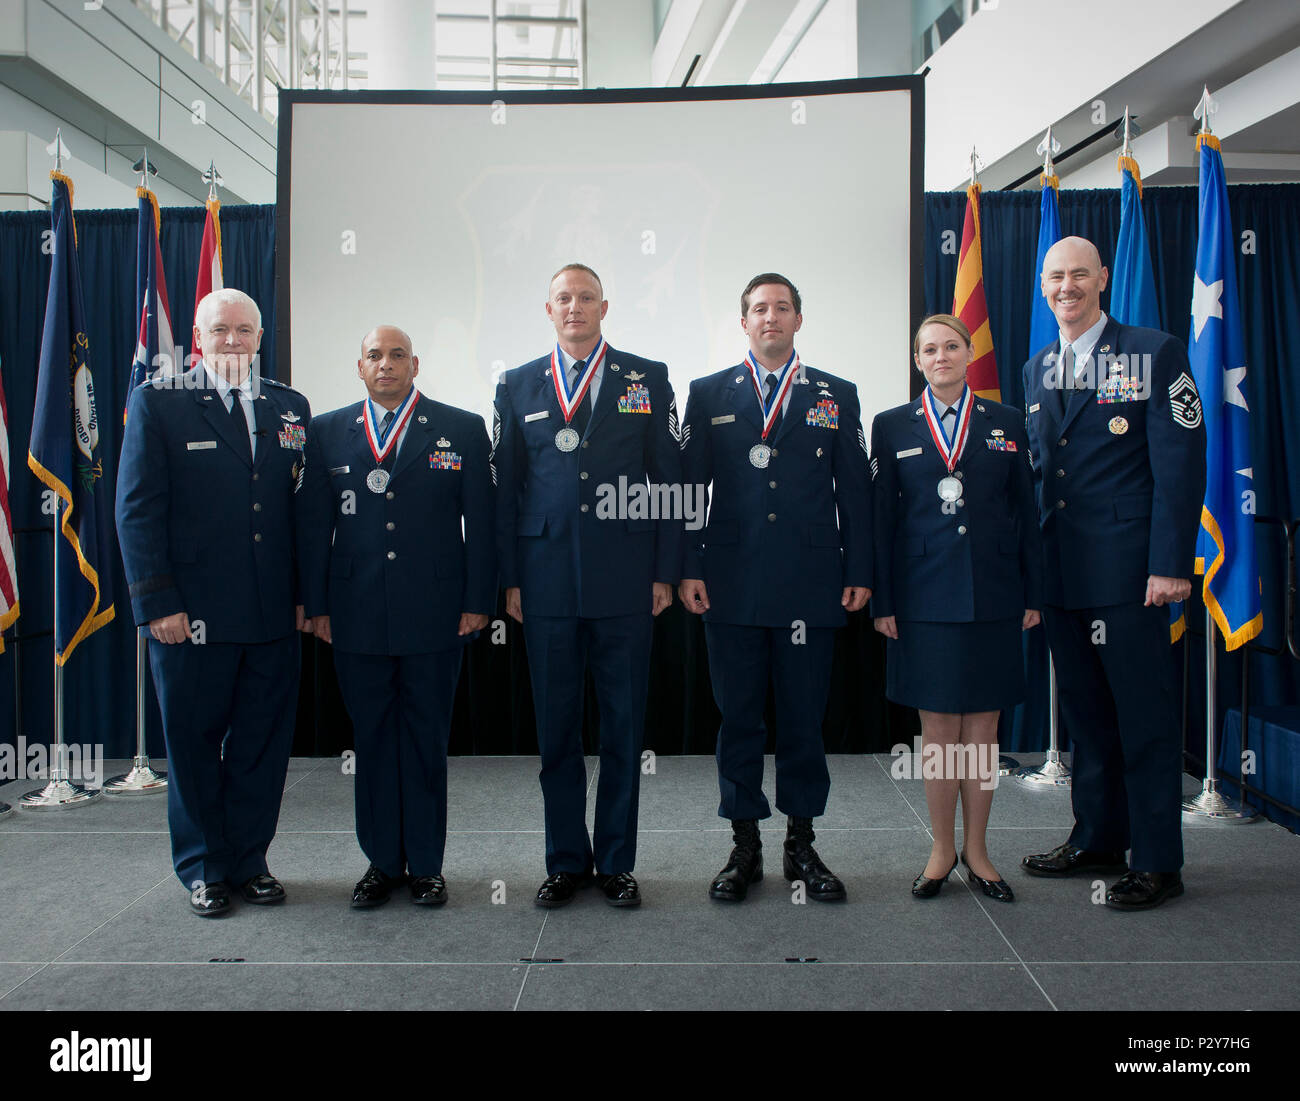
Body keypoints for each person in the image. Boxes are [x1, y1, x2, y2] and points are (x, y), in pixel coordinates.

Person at [1021, 236, 1206, 910]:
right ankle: (1099, 837)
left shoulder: (1154, 352)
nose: (1065, 286)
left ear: (1101, 278)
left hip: (1133, 574)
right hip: (1064, 575)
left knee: (1143, 718)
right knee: (1086, 716)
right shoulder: (1037, 365)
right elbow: (1044, 476)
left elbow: (1180, 465)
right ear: (1044, 287)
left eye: (1077, 274)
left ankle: (1158, 858)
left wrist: (1170, 565)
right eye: (1054, 277)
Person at [116, 288, 312, 917]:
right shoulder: (158, 403)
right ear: (197, 339)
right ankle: (202, 867)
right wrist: (157, 604)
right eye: (220, 331)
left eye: (244, 330)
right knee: (194, 746)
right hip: (188, 617)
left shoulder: (290, 406)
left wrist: (308, 598)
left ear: (260, 337)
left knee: (262, 743)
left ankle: (250, 860)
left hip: (272, 614)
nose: (233, 341)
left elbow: (301, 515)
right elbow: (137, 512)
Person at [493, 263, 683, 908]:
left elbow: (670, 480)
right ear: (548, 309)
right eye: (563, 298)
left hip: (626, 581)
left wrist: (664, 571)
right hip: (544, 584)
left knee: (624, 729)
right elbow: (506, 490)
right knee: (556, 732)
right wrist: (511, 579)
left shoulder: (647, 378)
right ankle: (565, 861)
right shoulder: (517, 384)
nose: (574, 307)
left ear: (606, 306)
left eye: (585, 297)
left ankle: (618, 863)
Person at [679, 273, 871, 903]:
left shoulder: (835, 394)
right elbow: (689, 493)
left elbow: (856, 494)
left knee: (802, 722)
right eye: (759, 309)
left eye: (781, 308)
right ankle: (744, 847)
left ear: (797, 319)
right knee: (738, 720)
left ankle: (801, 844)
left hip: (811, 586)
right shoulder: (707, 394)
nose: (770, 318)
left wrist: (860, 569)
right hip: (730, 586)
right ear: (743, 323)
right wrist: (689, 566)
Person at [300, 326, 495, 908]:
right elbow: (314, 527)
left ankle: (428, 865)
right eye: (374, 356)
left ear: (416, 364)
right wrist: (318, 606)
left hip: (436, 614)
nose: (386, 364)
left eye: (397, 355)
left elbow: (480, 526)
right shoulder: (327, 431)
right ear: (359, 366)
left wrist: (477, 600)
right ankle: (382, 862)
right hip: (355, 615)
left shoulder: (461, 429)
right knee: (373, 740)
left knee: (426, 741)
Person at [871, 314, 1042, 903]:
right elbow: (882, 522)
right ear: (917, 360)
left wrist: (1032, 592)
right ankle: (942, 849)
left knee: (984, 732)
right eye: (928, 349)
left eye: (950, 346)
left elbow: (1027, 513)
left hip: (994, 594)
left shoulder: (1007, 423)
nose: (940, 356)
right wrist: (884, 601)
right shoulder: (891, 425)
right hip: (922, 597)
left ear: (970, 353)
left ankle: (980, 851)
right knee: (940, 731)